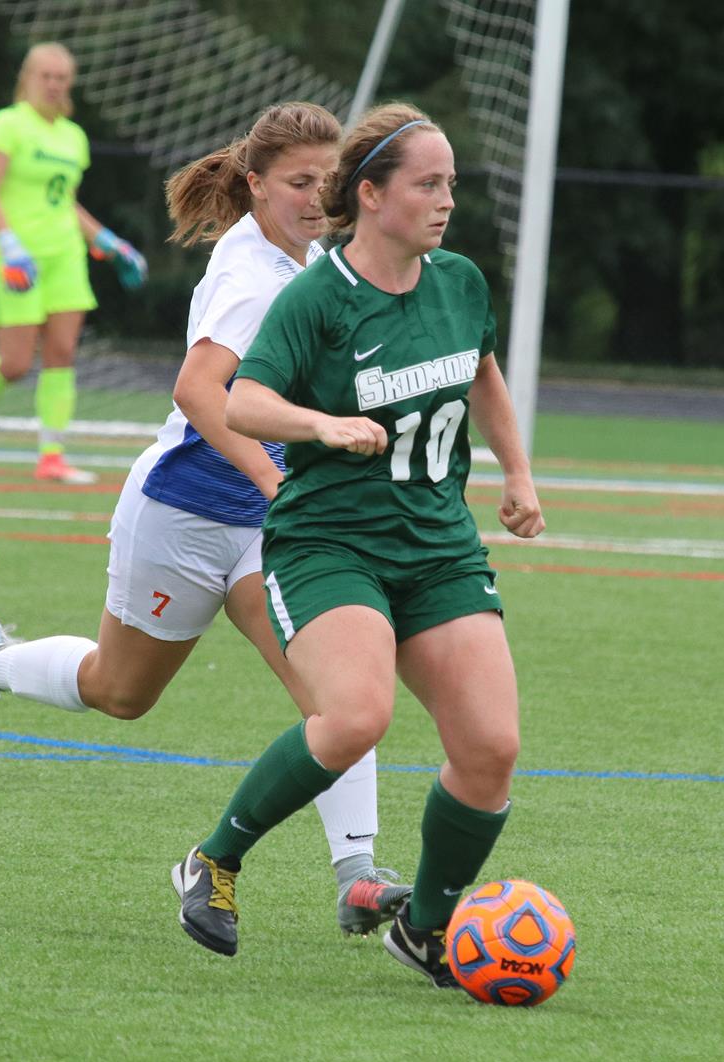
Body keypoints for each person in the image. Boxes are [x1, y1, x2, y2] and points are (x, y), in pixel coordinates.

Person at [0, 101, 411, 937]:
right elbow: (198, 392)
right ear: (257, 186)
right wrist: (276, 479)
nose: (316, 196)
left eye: (328, 181)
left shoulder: (318, 261)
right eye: (298, 182)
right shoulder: (247, 272)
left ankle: (359, 875)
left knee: (341, 694)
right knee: (118, 693)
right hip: (185, 513)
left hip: (275, 533)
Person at [166, 102, 545, 981]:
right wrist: (323, 425)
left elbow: (481, 371)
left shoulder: (458, 281)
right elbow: (240, 401)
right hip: (329, 545)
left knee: (491, 750)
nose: (446, 200)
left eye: (451, 183)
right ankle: (214, 861)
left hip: (440, 547)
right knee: (356, 715)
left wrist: (518, 475)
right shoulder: (317, 296)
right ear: (370, 195)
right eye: (428, 184)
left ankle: (426, 932)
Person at [0, 42, 148, 485]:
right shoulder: (7, 124)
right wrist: (11, 244)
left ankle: (52, 455)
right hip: (16, 257)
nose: (54, 85)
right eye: (46, 76)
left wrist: (110, 242)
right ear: (28, 77)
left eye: (62, 78)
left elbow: (66, 203)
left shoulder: (73, 136)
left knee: (62, 353)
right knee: (14, 363)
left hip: (65, 256)